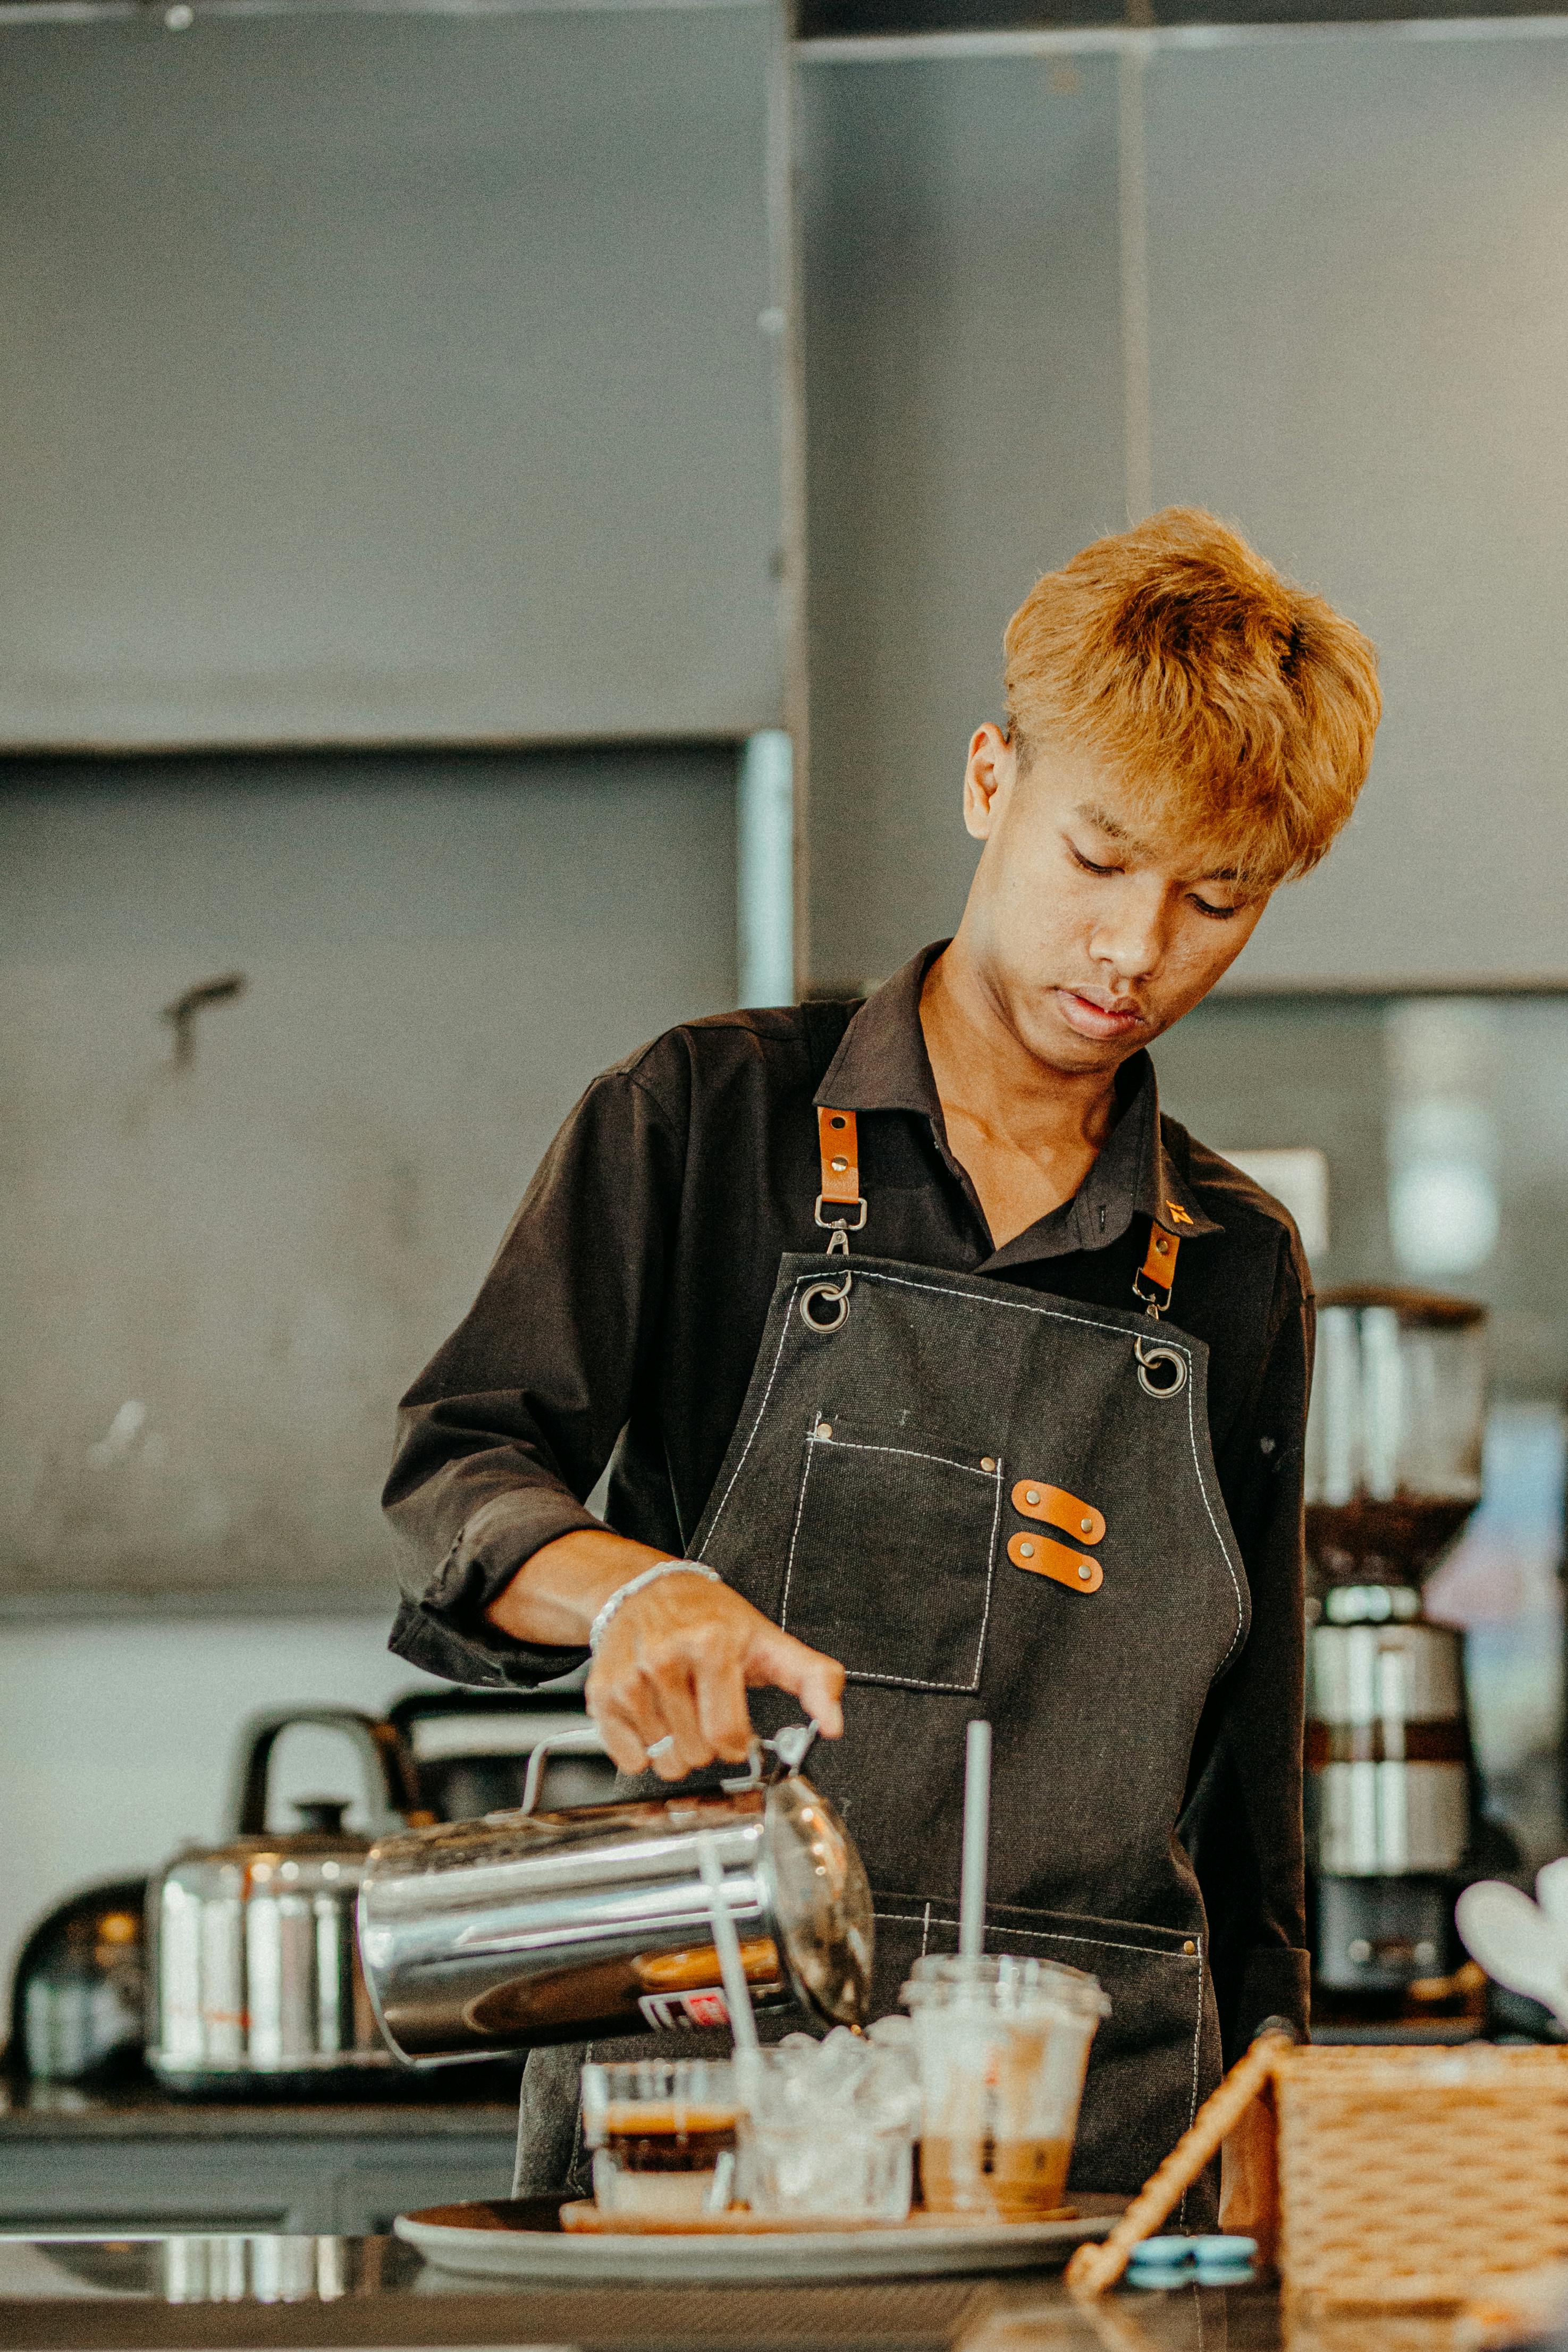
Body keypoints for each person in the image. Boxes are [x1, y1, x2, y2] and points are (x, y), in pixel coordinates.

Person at [383, 508, 1380, 2226]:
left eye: (1216, 899)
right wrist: (635, 1595)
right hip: (728, 2099)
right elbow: (463, 1471)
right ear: (991, 778)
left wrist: (1282, 2140)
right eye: (1100, 858)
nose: (1137, 950)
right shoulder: (705, 1121)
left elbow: (1249, 1795)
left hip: (1106, 2144)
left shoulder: (1232, 1266)